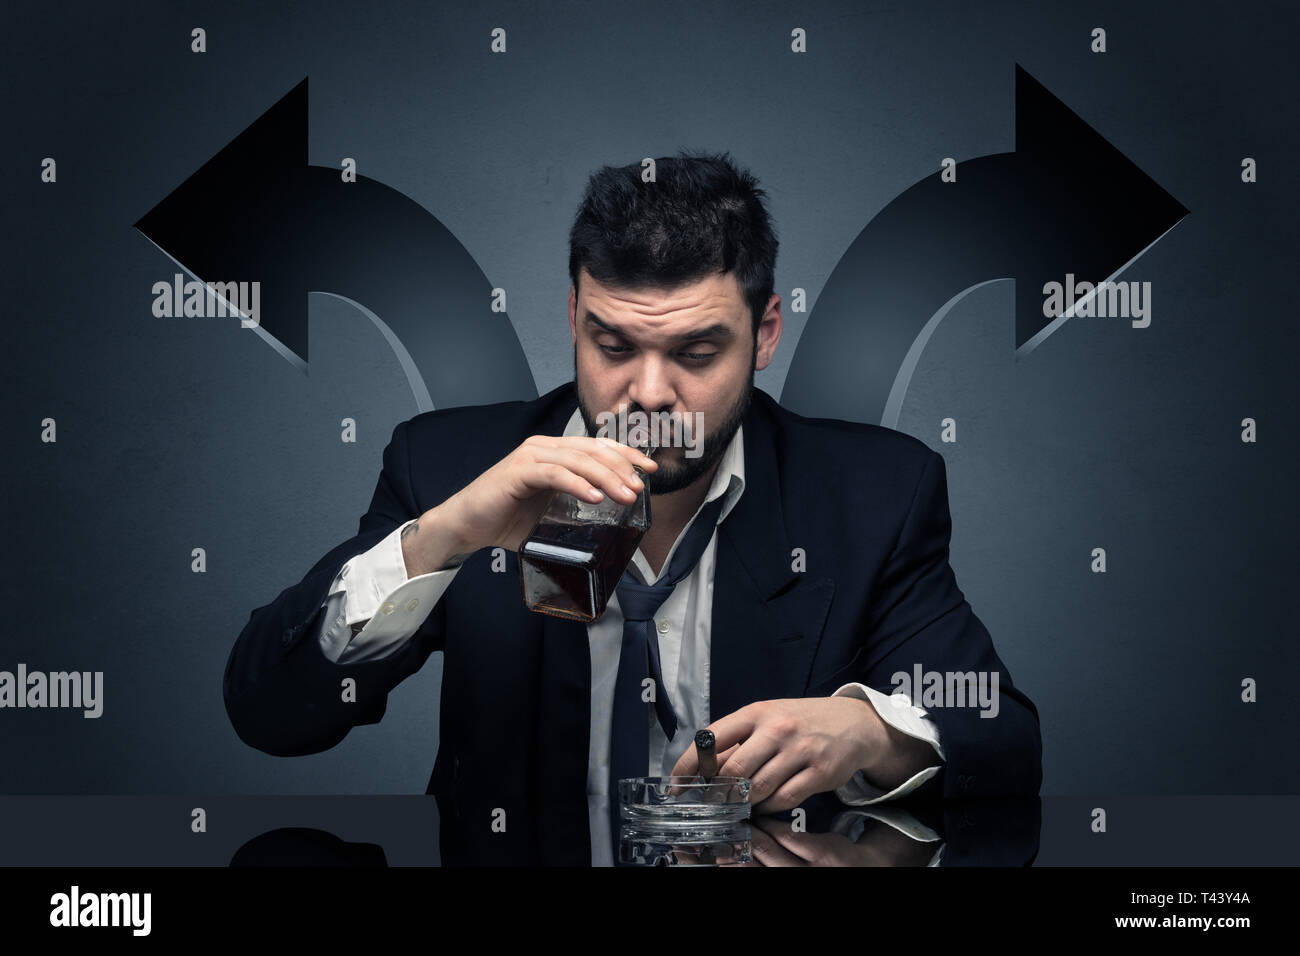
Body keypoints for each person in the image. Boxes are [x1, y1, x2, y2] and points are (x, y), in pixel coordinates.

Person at [223, 150, 1042, 866]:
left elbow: (1001, 738)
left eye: (695, 351)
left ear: (765, 333)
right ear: (574, 318)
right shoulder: (446, 468)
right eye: (614, 346)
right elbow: (268, 713)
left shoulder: (874, 492)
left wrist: (871, 733)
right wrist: (442, 538)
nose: (649, 394)